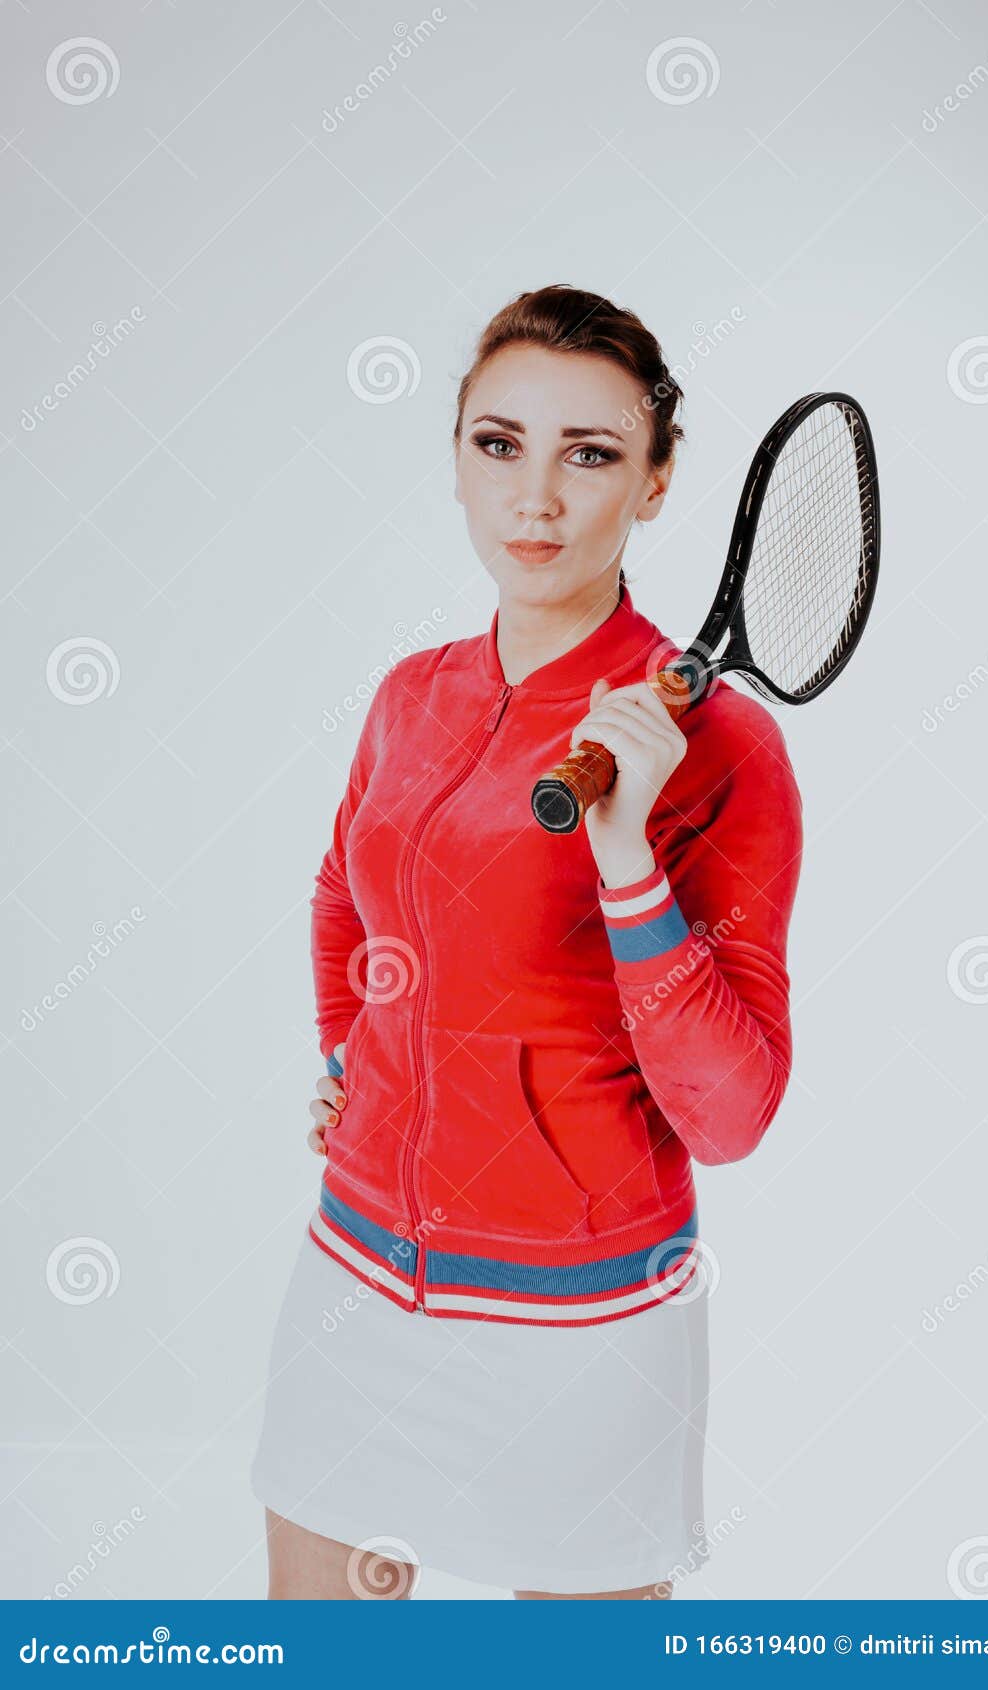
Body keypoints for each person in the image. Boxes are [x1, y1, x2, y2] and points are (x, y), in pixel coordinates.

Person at [249, 283, 803, 1600]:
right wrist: (358, 1055)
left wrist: (625, 857)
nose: (535, 499)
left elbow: (731, 1111)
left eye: (591, 454)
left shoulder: (724, 747)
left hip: (584, 1323)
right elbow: (345, 895)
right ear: (455, 455)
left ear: (657, 483)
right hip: (358, 1272)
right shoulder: (413, 692)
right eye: (499, 444)